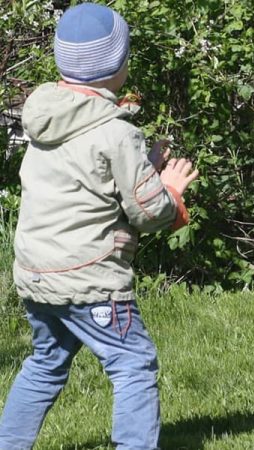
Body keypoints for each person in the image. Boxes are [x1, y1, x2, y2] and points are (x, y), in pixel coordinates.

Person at [0, 3, 198, 449]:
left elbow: (87, 183)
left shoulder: (43, 122)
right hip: (91, 278)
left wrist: (143, 169)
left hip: (37, 275)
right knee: (133, 363)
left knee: (45, 364)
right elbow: (150, 212)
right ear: (119, 64)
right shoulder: (116, 133)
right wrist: (171, 189)